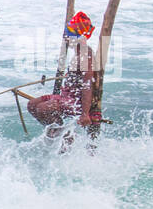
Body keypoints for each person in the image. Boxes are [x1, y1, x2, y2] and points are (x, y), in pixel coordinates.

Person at [27, 11, 102, 142]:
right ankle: (58, 128)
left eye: (69, 34)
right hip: (66, 96)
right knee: (32, 105)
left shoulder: (85, 54)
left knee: (44, 108)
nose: (66, 37)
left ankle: (66, 134)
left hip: (76, 101)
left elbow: (87, 85)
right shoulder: (77, 52)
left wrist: (84, 113)